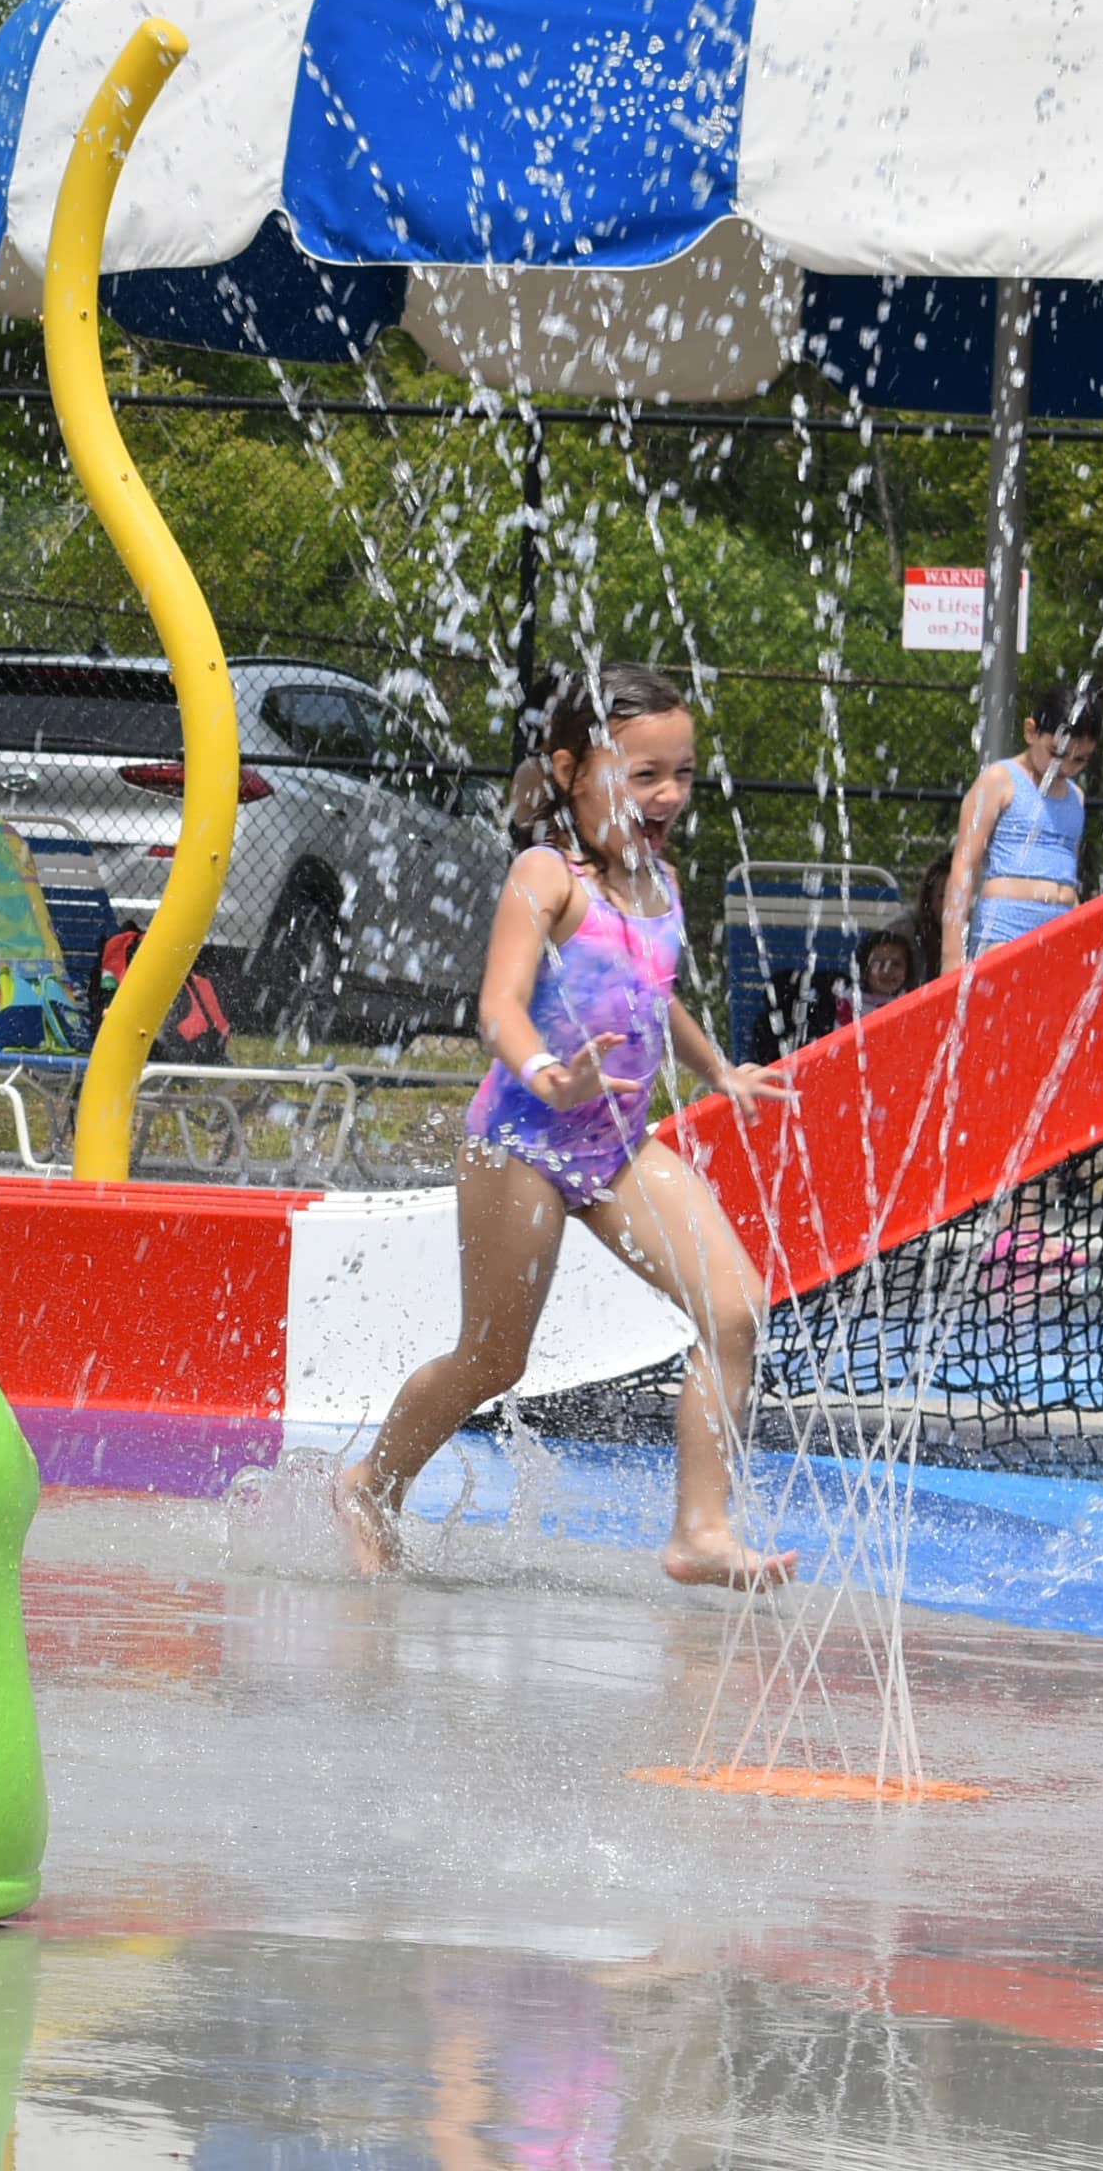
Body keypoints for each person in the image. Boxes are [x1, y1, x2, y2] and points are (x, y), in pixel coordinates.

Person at [334, 663, 795, 1591]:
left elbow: (649, 992)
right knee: (494, 1360)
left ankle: (701, 1530)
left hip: (619, 1145)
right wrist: (548, 1074)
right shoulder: (548, 875)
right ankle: (369, 1483)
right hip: (521, 1143)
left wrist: (713, 1069)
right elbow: (499, 1005)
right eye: (645, 775)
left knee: (735, 1310)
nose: (669, 796)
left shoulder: (657, 882)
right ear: (574, 771)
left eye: (685, 775)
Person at [942, 680, 1103, 975]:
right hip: (1005, 925)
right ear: (1031, 731)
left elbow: (1065, 872)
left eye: (1079, 760)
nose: (1065, 767)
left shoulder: (1075, 798)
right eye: (1056, 753)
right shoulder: (1000, 779)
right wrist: (952, 958)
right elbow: (965, 865)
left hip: (1062, 925)